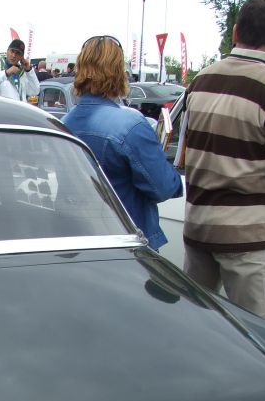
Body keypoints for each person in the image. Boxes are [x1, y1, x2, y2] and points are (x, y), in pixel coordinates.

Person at [180, 0, 265, 324]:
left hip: (198, 226)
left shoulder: (202, 79)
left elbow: (182, 152)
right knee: (262, 339)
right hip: (246, 237)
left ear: (236, 32)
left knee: (197, 327)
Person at [62, 36, 182, 251]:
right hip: (126, 243)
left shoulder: (63, 124)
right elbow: (163, 187)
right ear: (119, 71)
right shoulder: (131, 124)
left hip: (78, 239)